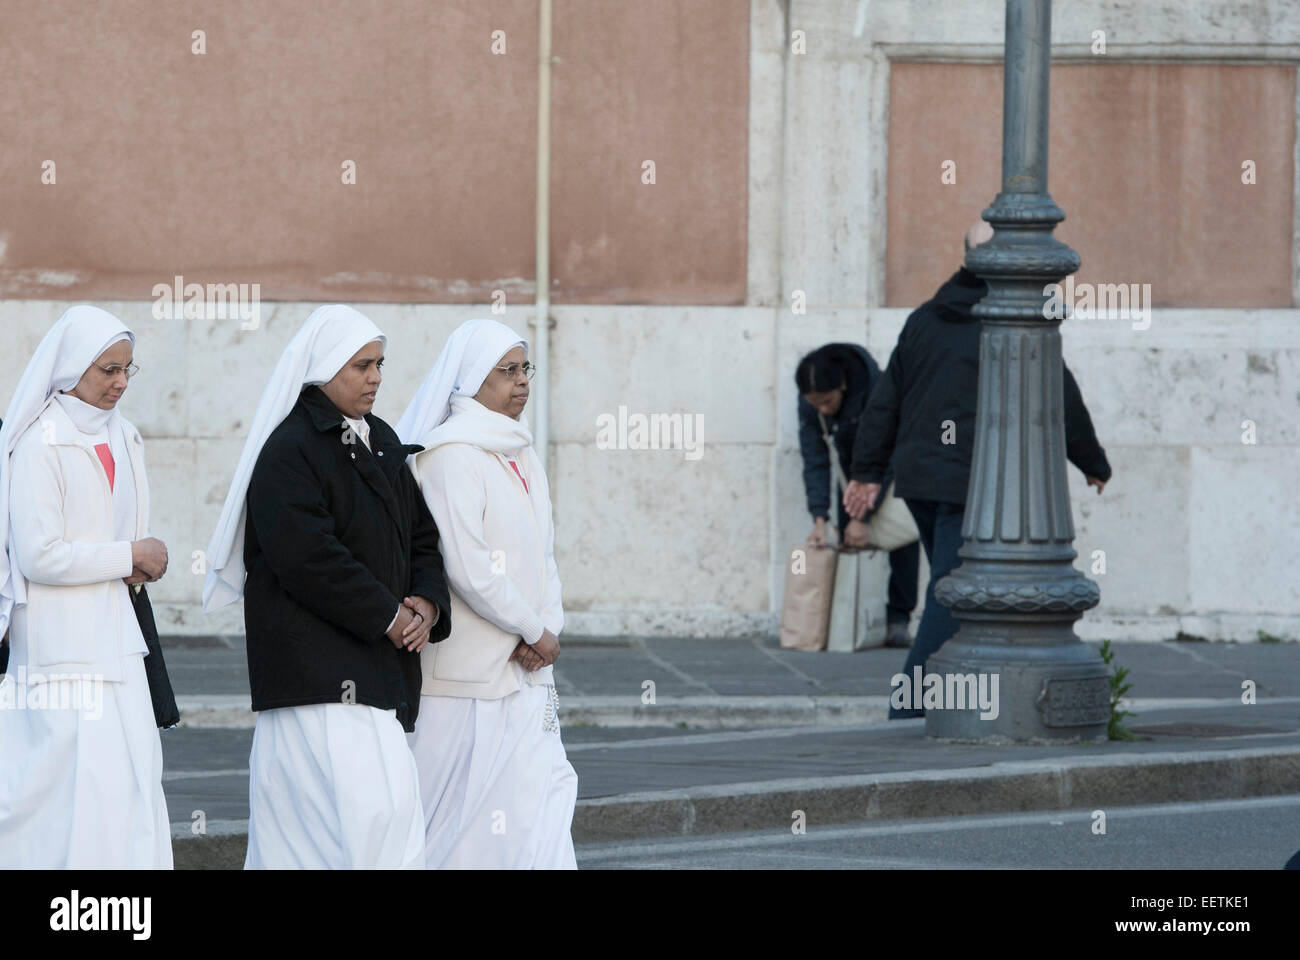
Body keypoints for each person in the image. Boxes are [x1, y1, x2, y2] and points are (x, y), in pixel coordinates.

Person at [203, 304, 452, 868]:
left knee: (381, 820)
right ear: (323, 368)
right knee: (335, 828)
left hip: (373, 671)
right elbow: (308, 558)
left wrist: (427, 603)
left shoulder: (382, 437)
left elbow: (422, 535)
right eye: (361, 365)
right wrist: (389, 618)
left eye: (380, 364)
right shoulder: (289, 450)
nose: (376, 378)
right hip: (316, 674)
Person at [845, 221, 1113, 719]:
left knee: (952, 591)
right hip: (971, 482)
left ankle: (956, 703)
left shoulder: (925, 318)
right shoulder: (1017, 316)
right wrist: (1092, 461)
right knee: (952, 597)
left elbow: (886, 400)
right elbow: (1060, 392)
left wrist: (868, 471)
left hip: (922, 481)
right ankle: (909, 710)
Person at [396, 318, 577, 869]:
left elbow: (543, 555)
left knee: (535, 803)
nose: (521, 381)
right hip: (464, 677)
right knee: (454, 818)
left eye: (525, 369)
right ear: (472, 378)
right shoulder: (449, 455)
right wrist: (532, 629)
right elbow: (467, 567)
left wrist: (547, 629)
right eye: (507, 371)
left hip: (524, 667)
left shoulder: (520, 451)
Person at [0, 306, 172, 868]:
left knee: (131, 783)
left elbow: (122, 534)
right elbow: (39, 553)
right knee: (60, 795)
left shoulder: (126, 437)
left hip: (119, 645)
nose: (120, 382)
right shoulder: (38, 444)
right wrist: (128, 555)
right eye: (107, 370)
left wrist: (138, 562)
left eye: (128, 369)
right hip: (60, 651)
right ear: (73, 367)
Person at [796, 343, 920, 647]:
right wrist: (819, 517)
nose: (822, 410)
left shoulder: (878, 390)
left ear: (842, 386)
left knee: (901, 541)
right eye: (815, 404)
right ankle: (853, 619)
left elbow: (890, 450)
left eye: (827, 401)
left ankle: (898, 619)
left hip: (892, 470)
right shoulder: (810, 403)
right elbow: (815, 459)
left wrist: (864, 512)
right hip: (850, 476)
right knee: (851, 542)